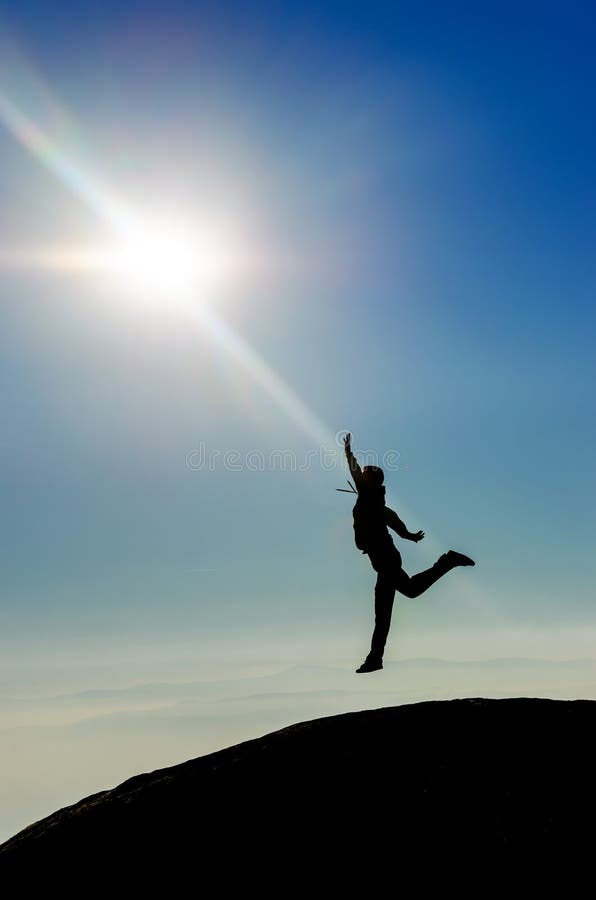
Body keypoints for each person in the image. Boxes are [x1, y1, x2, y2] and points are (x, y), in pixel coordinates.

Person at [343, 433, 475, 673]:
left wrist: (348, 453)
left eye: (363, 475)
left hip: (385, 560)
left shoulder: (368, 497)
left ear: (370, 481)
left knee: (383, 614)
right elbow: (390, 518)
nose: (359, 477)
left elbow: (388, 516)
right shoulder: (373, 500)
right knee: (409, 592)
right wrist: (408, 535)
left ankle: (375, 659)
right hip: (385, 558)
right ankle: (448, 561)